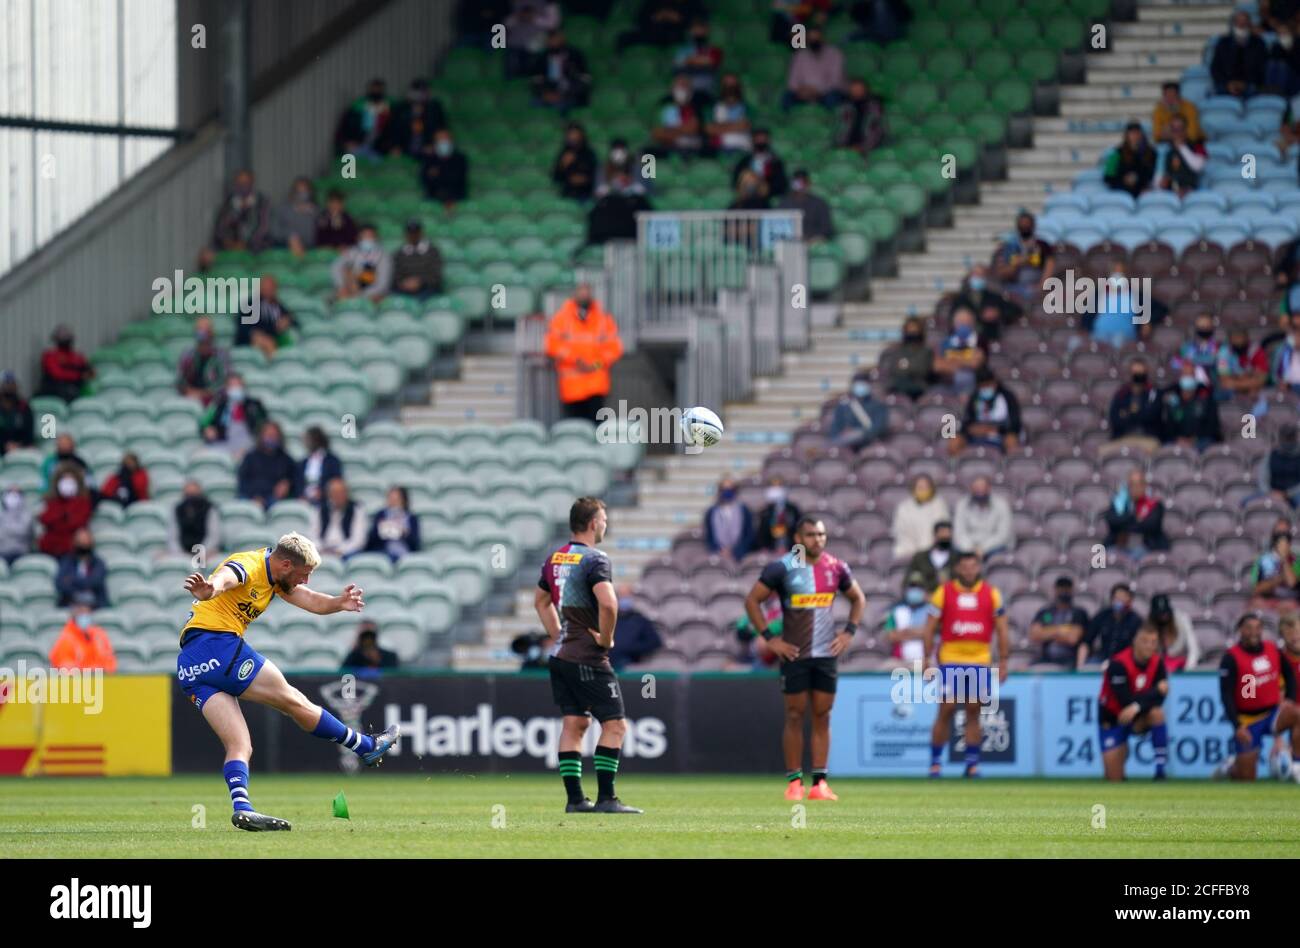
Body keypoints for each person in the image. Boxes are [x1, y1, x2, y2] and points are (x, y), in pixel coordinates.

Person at [179, 532, 400, 830]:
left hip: (191, 667)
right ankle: (365, 746)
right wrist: (211, 589)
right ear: (285, 565)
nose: (305, 581)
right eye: (303, 574)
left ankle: (242, 808)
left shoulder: (276, 576)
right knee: (293, 701)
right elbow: (228, 577)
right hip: (218, 646)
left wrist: (339, 603)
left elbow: (310, 600)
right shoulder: (250, 564)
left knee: (240, 744)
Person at [743, 516, 866, 800]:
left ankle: (819, 784)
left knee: (823, 715)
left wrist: (848, 633)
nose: (817, 540)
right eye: (811, 535)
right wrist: (770, 639)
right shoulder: (783, 567)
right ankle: (794, 783)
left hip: (825, 654)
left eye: (821, 534)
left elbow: (858, 599)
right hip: (795, 654)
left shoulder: (836, 567)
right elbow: (752, 601)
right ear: (798, 538)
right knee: (795, 715)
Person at [532, 498, 642, 813]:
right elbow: (609, 604)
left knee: (575, 723)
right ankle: (607, 798)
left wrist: (557, 635)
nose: (606, 524)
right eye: (604, 519)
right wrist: (606, 638)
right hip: (587, 656)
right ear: (594, 523)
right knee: (616, 725)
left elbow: (540, 601)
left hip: (561, 655)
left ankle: (575, 800)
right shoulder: (595, 559)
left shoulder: (555, 558)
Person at [921, 551, 1009, 778]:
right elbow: (930, 627)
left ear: (978, 568)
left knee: (973, 711)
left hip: (980, 659)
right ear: (958, 569)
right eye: (965, 567)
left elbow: (1002, 629)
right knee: (946, 709)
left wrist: (1004, 661)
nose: (969, 570)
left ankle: (972, 764)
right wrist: (926, 658)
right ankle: (935, 763)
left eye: (973, 566)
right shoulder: (944, 592)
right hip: (951, 658)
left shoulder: (991, 594)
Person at [1212, 613, 1299, 781]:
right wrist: (1237, 726)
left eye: (1258, 628)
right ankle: (1230, 768)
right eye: (1249, 628)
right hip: (1248, 720)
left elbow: (1289, 674)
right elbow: (1226, 695)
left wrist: (1289, 698)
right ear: (1240, 631)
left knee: (1297, 714)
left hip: (1272, 714)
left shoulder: (1272, 649)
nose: (1254, 632)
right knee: (1246, 779)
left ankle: (1296, 766)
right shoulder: (1231, 657)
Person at [1098, 623, 1170, 781]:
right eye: (1145, 641)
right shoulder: (1117, 664)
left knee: (1157, 713)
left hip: (1137, 717)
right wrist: (1156, 690)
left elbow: (1160, 698)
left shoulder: (1158, 663)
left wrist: (1137, 706)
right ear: (1135, 641)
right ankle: (1121, 749)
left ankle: (1160, 770)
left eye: (1154, 642)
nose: (1150, 646)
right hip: (1113, 719)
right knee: (1114, 778)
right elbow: (1125, 700)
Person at [543, 284, 624, 422]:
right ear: (574, 294)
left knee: (596, 428)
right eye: (581, 291)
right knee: (575, 430)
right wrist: (575, 360)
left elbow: (614, 350)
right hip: (571, 388)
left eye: (587, 291)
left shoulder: (603, 320)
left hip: (595, 386)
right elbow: (552, 345)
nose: (584, 294)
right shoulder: (561, 319)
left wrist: (594, 365)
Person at [948, 366, 1022, 456]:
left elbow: (1015, 424)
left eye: (988, 385)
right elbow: (966, 423)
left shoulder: (1007, 397)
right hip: (976, 436)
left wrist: (996, 429)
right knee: (955, 441)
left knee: (1011, 440)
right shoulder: (974, 398)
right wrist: (973, 429)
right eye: (982, 386)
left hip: (1000, 436)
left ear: (995, 383)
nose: (985, 389)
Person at [1100, 358, 1162, 458]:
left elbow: (1152, 416)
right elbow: (1115, 419)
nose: (1138, 376)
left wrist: (1128, 414)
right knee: (1103, 452)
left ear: (1146, 373)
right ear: (1130, 374)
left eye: (1141, 373)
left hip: (1147, 438)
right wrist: (1139, 413)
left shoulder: (1153, 393)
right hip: (1123, 437)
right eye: (1135, 373)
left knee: (1152, 453)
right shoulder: (1121, 394)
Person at [992, 210, 1055, 309]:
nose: (1025, 226)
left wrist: (1041, 286)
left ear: (1033, 225)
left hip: (1035, 286)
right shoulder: (1010, 246)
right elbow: (1003, 273)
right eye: (1022, 224)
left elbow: (1049, 265)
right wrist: (1018, 263)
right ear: (1017, 226)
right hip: (1014, 286)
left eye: (1027, 224)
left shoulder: (1042, 245)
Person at [1102, 468, 1170, 555]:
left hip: (1147, 547)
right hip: (1121, 546)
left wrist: (1124, 524)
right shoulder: (1120, 503)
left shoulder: (1154, 505)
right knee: (1107, 556)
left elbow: (1151, 525)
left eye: (1139, 484)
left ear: (1145, 486)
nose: (1135, 488)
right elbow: (1112, 521)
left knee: (1138, 554)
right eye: (1132, 485)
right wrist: (1135, 517)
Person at [200, 373, 268, 458]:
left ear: (243, 387)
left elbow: (264, 424)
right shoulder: (219, 405)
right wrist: (208, 430)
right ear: (227, 388)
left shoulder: (254, 405)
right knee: (200, 455)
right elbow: (204, 423)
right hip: (224, 441)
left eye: (238, 385)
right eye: (232, 385)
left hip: (248, 442)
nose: (236, 388)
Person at [1078, 582, 1143, 667]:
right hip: (1102, 658)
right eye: (1117, 598)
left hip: (1125, 660)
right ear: (1112, 600)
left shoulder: (1136, 620)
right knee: (1089, 666)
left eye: (1123, 598)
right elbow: (1086, 643)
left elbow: (1138, 649)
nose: (1120, 601)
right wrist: (1080, 666)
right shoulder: (1102, 615)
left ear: (1130, 601)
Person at [1160, 362, 1223, 450]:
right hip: (1176, 440)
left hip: (1201, 440)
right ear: (1179, 378)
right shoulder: (1171, 396)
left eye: (1190, 375)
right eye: (1185, 374)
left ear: (1195, 378)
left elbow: (1212, 426)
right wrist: (1178, 438)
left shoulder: (1207, 396)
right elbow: (1166, 426)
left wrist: (1194, 439)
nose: (1188, 378)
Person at [1028, 577, 1089, 668]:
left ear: (1072, 591)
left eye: (1066, 589)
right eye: (1061, 589)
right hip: (1046, 658)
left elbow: (1072, 639)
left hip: (1069, 659)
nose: (1063, 593)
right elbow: (1034, 635)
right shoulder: (1046, 613)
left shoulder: (1078, 613)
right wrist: (1060, 631)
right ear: (1055, 590)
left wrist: (1047, 632)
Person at [782, 27, 846, 111]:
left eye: (816, 38)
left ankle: (826, 122)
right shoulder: (799, 55)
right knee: (786, 98)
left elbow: (835, 81)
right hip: (802, 92)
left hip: (826, 92)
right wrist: (801, 90)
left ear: (822, 38)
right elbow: (792, 80)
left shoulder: (835, 54)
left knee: (832, 98)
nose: (814, 41)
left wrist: (816, 91)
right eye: (811, 38)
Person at [38, 463, 93, 558]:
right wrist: (63, 517)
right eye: (64, 480)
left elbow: (78, 522)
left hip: (71, 550)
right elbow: (45, 519)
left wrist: (60, 519)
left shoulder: (83, 502)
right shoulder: (51, 502)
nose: (67, 483)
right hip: (50, 547)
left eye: (71, 480)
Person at [237, 422, 296, 509]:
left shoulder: (285, 459)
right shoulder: (250, 457)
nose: (272, 438)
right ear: (262, 436)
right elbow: (243, 481)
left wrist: (287, 484)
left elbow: (294, 477)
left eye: (274, 435)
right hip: (251, 498)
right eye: (269, 435)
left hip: (274, 499)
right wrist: (254, 497)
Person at [49, 598, 117, 673]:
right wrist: (90, 670)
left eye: (87, 611)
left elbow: (110, 662)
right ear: (73, 613)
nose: (85, 614)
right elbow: (65, 667)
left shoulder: (99, 635)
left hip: (102, 681)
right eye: (81, 611)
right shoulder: (66, 639)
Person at [234, 274, 296, 357]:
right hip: (249, 341)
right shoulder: (250, 304)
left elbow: (293, 320)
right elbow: (241, 326)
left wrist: (287, 321)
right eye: (265, 287)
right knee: (267, 343)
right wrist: (253, 334)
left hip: (272, 339)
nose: (268, 290)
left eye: (270, 288)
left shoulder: (277, 305)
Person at [586, 170, 653, 243]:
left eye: (624, 178)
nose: (621, 181)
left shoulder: (639, 198)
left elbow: (649, 214)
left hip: (632, 237)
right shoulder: (603, 199)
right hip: (607, 237)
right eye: (618, 177)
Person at [334, 77, 396, 158]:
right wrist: (347, 142)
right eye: (374, 89)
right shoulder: (357, 107)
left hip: (382, 148)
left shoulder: (391, 107)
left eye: (378, 90)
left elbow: (395, 131)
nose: (376, 92)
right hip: (359, 145)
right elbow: (344, 128)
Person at [825, 371, 888, 451]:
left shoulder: (878, 406)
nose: (860, 387)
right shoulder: (843, 406)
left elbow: (879, 428)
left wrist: (859, 433)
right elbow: (835, 428)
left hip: (868, 445)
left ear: (869, 385)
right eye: (857, 384)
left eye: (863, 384)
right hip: (845, 447)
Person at [892, 475, 950, 562]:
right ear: (913, 489)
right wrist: (914, 551)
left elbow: (944, 530)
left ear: (931, 489)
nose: (923, 490)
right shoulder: (903, 508)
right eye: (920, 487)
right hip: (908, 549)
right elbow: (900, 532)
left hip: (934, 549)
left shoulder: (939, 505)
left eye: (926, 487)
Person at [952, 476, 1013, 558]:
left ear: (989, 488)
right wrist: (971, 549)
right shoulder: (962, 504)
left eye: (982, 487)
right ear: (971, 489)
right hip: (969, 546)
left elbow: (1002, 535)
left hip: (994, 545)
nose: (980, 490)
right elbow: (959, 532)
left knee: (999, 553)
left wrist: (983, 548)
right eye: (976, 487)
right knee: (956, 550)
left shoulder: (1002, 505)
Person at [1210, 10, 1267, 97]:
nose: (1241, 24)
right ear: (1233, 24)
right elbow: (1215, 67)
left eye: (1244, 21)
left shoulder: (1258, 43)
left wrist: (1245, 84)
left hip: (1250, 84)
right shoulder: (1223, 43)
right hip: (1226, 85)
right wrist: (1227, 84)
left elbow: (1262, 68)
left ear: (1249, 23)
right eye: (1238, 21)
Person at [532, 29, 592, 112]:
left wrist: (564, 95)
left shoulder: (575, 55)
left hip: (570, 94)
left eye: (555, 38)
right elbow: (537, 79)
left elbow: (585, 79)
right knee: (535, 104)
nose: (553, 41)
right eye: (551, 39)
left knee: (561, 106)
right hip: (550, 93)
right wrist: (545, 94)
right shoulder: (543, 57)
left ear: (562, 38)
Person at [176, 318, 231, 404]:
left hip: (214, 401)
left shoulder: (221, 355)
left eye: (205, 330)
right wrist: (191, 392)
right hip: (190, 399)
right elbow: (180, 381)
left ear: (212, 333)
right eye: (199, 330)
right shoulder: (187, 355)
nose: (202, 333)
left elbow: (224, 383)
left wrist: (203, 394)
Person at [609, 584, 663, 671]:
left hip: (632, 665)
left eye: (627, 596)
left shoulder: (640, 620)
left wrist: (631, 648)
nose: (624, 599)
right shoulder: (608, 620)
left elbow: (655, 642)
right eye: (621, 596)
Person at [651, 73, 707, 157]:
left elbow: (694, 129)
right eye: (678, 86)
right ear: (672, 89)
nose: (681, 89)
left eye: (684, 86)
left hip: (694, 152)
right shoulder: (663, 107)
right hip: (668, 150)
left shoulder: (698, 107)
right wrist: (682, 131)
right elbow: (657, 133)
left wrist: (669, 131)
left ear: (690, 90)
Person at [388, 77, 446, 158]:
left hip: (427, 145)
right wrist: (395, 145)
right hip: (406, 145)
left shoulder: (434, 108)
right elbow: (394, 129)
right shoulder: (400, 109)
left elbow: (441, 128)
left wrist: (432, 144)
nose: (419, 96)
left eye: (423, 92)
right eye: (416, 92)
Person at [331, 224, 392, 301]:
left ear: (376, 238)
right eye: (365, 236)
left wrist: (362, 294)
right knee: (346, 272)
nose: (368, 239)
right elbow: (336, 266)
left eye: (370, 236)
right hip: (352, 288)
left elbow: (382, 284)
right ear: (359, 238)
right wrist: (341, 286)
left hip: (373, 293)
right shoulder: (352, 252)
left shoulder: (383, 256)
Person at [932, 306, 985, 393]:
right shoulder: (946, 343)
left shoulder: (980, 341)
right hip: (948, 383)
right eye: (960, 322)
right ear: (954, 324)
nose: (963, 325)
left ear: (972, 324)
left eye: (966, 322)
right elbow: (937, 366)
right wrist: (966, 361)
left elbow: (976, 363)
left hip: (973, 384)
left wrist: (951, 361)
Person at [878, 317, 933, 400]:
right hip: (897, 386)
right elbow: (894, 369)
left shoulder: (926, 351)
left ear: (920, 331)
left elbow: (923, 370)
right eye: (909, 329)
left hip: (918, 389)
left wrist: (906, 367)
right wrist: (911, 367)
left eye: (915, 330)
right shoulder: (898, 350)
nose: (912, 333)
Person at [884, 570, 931, 667]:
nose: (915, 591)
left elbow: (931, 633)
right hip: (900, 660)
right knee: (886, 668)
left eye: (919, 588)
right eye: (912, 587)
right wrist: (919, 632)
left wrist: (905, 632)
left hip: (924, 659)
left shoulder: (931, 610)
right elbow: (891, 636)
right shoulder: (897, 611)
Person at [1249, 524, 1300, 612]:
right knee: (1255, 604)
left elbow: (1292, 583)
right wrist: (1280, 578)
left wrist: (1284, 558)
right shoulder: (1263, 560)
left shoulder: (1296, 560)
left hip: (1290, 601)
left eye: (1286, 541)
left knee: (1288, 607)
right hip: (1268, 599)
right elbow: (1257, 589)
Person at [54, 528, 110, 609]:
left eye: (86, 540)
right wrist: (78, 592)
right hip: (70, 603)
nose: (83, 543)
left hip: (95, 605)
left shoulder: (99, 563)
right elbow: (60, 583)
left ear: (91, 542)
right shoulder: (66, 562)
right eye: (80, 541)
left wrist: (71, 579)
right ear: (75, 542)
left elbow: (95, 582)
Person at [314, 477, 368, 560]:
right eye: (334, 493)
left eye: (341, 492)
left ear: (347, 493)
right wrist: (321, 549)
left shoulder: (356, 509)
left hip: (346, 552)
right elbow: (313, 534)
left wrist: (340, 550)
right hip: (323, 550)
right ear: (329, 494)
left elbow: (359, 540)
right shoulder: (320, 510)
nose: (338, 496)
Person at [1215, 328, 1269, 409]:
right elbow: (1225, 381)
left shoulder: (1256, 351)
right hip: (1234, 391)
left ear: (1247, 339)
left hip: (1253, 390)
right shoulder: (1224, 353)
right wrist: (1248, 383)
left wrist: (1236, 383)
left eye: (1241, 339)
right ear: (1230, 340)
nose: (1239, 343)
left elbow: (1261, 379)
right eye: (1235, 339)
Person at [365, 486, 422, 562]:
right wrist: (383, 530)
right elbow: (371, 540)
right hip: (383, 553)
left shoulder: (412, 518)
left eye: (396, 500)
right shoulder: (381, 515)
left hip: (404, 554)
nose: (393, 503)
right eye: (391, 499)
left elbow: (415, 543)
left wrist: (403, 533)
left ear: (404, 501)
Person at [38, 325, 94, 402]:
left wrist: (87, 374)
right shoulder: (50, 356)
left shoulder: (78, 357)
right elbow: (57, 374)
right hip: (55, 388)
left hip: (76, 387)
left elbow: (91, 372)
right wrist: (78, 375)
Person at [703, 477, 754, 561]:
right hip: (718, 555)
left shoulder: (744, 510)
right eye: (724, 489)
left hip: (740, 555)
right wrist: (719, 550)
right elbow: (709, 537)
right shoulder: (711, 512)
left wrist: (735, 551)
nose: (727, 492)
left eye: (730, 489)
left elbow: (749, 535)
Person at [390, 219, 443, 299]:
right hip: (404, 288)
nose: (413, 235)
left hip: (427, 288)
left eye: (416, 232)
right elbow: (395, 275)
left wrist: (419, 281)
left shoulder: (432, 251)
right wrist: (404, 283)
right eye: (411, 233)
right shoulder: (399, 253)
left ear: (421, 233)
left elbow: (436, 275)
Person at [777, 169, 834, 242]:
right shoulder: (784, 204)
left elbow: (827, 229)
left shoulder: (819, 203)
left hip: (813, 243)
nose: (801, 186)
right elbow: (777, 227)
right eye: (797, 182)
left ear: (808, 183)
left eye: (804, 182)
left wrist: (812, 239)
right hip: (789, 243)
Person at [731, 128, 788, 199]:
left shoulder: (775, 162)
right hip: (746, 197)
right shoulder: (745, 161)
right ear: (753, 140)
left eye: (763, 138)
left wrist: (764, 186)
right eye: (758, 138)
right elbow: (737, 181)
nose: (761, 141)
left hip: (766, 197)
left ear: (768, 140)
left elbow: (781, 183)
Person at [1103, 122, 1157, 198]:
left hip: (1144, 193)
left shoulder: (1151, 153)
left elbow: (1153, 175)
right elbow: (1108, 176)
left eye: (1137, 133)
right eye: (1132, 133)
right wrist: (1123, 180)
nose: (1135, 136)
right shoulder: (1116, 153)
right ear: (1127, 135)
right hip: (1122, 193)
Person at [269, 177, 320, 257]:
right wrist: (290, 236)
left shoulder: (316, 211)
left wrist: (310, 213)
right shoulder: (281, 209)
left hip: (309, 248)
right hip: (285, 246)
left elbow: (316, 235)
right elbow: (274, 231)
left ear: (310, 192)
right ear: (293, 192)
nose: (302, 195)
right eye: (298, 191)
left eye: (305, 191)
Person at [1149, 592, 1200, 672]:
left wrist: (1188, 669)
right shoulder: (1149, 623)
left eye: (1165, 612)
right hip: (1157, 666)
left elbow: (1194, 648)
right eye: (1160, 613)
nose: (1163, 616)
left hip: (1179, 665)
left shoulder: (1182, 619)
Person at [673, 18, 723, 97]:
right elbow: (678, 65)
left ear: (707, 31)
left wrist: (690, 61)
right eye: (695, 29)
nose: (698, 32)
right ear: (690, 31)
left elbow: (712, 62)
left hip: (706, 90)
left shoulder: (714, 50)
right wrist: (699, 61)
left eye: (701, 28)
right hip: (686, 91)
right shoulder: (683, 49)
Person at [836, 77, 885, 156]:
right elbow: (840, 129)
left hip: (870, 148)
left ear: (865, 90)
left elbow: (877, 132)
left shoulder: (874, 108)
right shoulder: (845, 107)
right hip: (846, 147)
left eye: (859, 90)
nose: (857, 92)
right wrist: (844, 146)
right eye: (854, 90)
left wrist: (862, 147)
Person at [1158, 115, 1206, 196]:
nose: (1177, 132)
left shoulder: (1197, 146)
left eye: (1180, 128)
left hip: (1191, 191)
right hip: (1171, 193)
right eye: (1174, 129)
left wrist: (1182, 147)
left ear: (1186, 129)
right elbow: (1160, 175)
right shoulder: (1167, 150)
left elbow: (1197, 167)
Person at [294, 427, 343, 506]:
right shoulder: (303, 463)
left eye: (309, 439)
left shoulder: (332, 461)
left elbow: (336, 480)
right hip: (305, 499)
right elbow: (298, 482)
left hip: (324, 499)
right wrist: (301, 495)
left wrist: (323, 492)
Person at [420, 129, 469, 208]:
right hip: (433, 196)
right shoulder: (429, 158)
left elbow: (458, 178)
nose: (443, 141)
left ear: (451, 140)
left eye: (445, 138)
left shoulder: (460, 158)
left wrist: (437, 174)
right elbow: (424, 178)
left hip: (456, 196)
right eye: (440, 139)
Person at [170, 479, 220, 557]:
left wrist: (201, 553)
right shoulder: (178, 509)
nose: (191, 498)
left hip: (206, 552)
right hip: (182, 553)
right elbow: (173, 536)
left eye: (194, 494)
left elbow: (214, 535)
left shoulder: (209, 508)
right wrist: (180, 553)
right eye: (188, 495)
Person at [904, 520, 955, 594]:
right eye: (942, 534)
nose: (945, 536)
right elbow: (909, 580)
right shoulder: (920, 558)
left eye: (947, 534)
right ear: (935, 535)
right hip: (924, 599)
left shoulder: (958, 558)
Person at [705, 73, 752, 154]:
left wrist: (719, 127)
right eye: (727, 85)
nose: (730, 88)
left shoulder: (747, 107)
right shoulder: (712, 107)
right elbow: (709, 129)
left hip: (742, 150)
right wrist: (736, 126)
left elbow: (746, 125)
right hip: (719, 151)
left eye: (733, 85)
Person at [551, 122, 599, 201]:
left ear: (581, 135)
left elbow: (596, 176)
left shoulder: (589, 154)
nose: (573, 137)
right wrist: (562, 165)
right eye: (571, 134)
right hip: (568, 193)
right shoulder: (564, 153)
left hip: (586, 194)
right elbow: (556, 178)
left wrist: (584, 179)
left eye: (575, 134)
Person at [753, 478, 802, 552]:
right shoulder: (766, 511)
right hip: (771, 550)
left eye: (778, 488)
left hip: (790, 549)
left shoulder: (793, 510)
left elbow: (798, 531)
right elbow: (761, 534)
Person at [1261, 424, 1300, 508]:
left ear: (1295, 438)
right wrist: (1270, 492)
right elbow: (1263, 478)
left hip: (1295, 493)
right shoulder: (1272, 455)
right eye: (1285, 438)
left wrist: (1287, 494)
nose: (1287, 441)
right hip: (1272, 492)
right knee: (1245, 502)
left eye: (1290, 438)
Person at [0, 370, 35, 455]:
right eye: (6, 384)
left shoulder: (24, 407)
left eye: (12, 384)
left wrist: (18, 445)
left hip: (21, 449)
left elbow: (29, 434)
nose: (8, 387)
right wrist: (4, 446)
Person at [0, 484, 34, 564]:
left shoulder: (27, 515)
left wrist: (6, 530)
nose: (13, 497)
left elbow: (24, 531)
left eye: (16, 494)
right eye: (10, 493)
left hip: (21, 553)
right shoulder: (1, 514)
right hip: (2, 552)